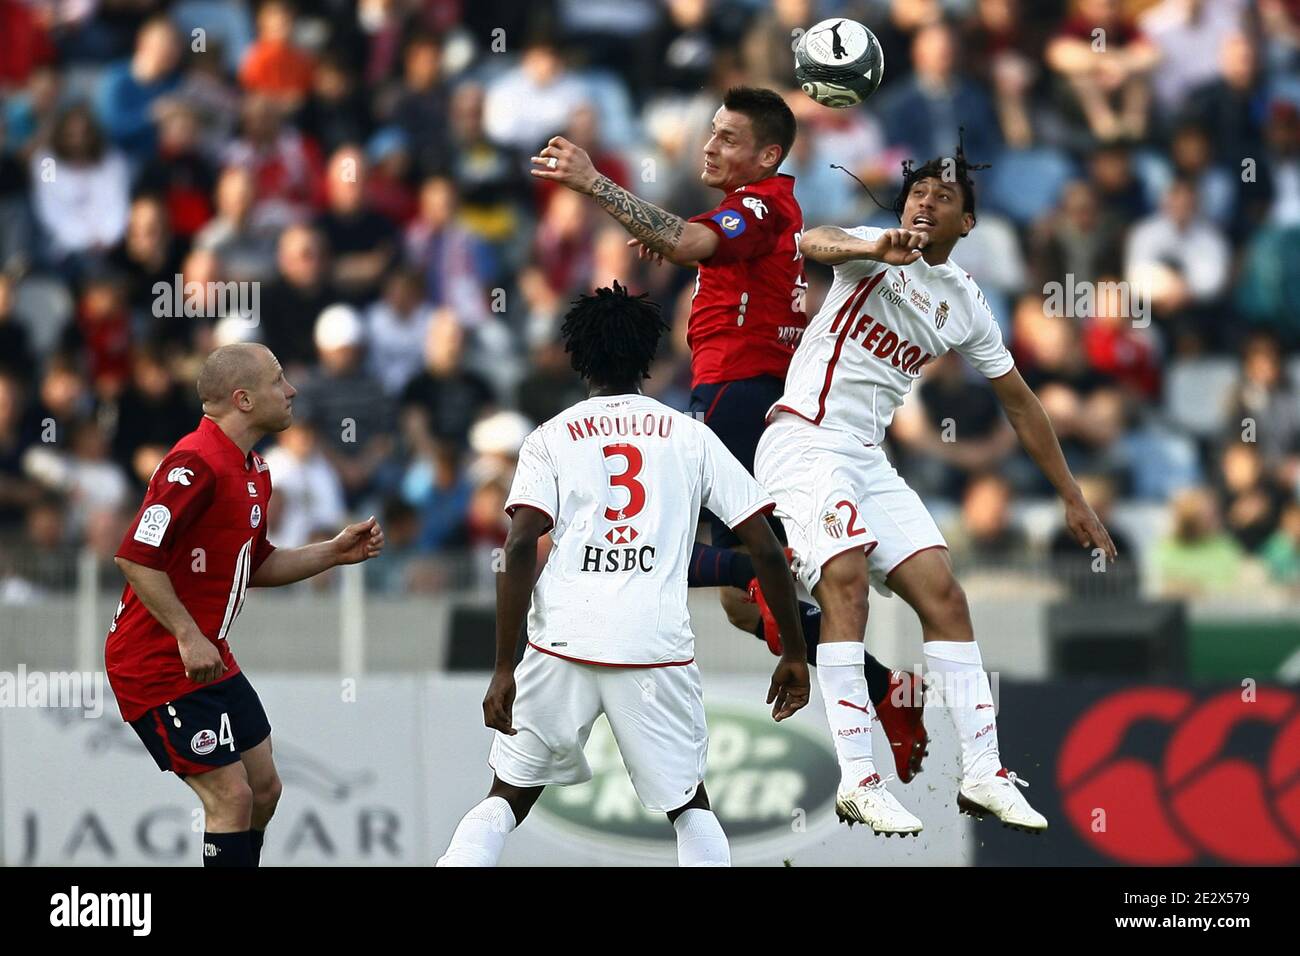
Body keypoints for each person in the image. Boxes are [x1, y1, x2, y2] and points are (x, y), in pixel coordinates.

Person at [530, 85, 930, 784]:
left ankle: (793, 582)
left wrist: (594, 182)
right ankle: (885, 687)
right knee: (743, 608)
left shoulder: (761, 205)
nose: (710, 146)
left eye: (728, 139)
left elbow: (690, 241)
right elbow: (700, 242)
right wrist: (675, 237)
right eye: (711, 132)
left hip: (736, 395)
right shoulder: (763, 209)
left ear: (767, 155)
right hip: (754, 396)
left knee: (656, 548)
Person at [758, 143, 1117, 835]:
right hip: (804, 438)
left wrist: (1072, 495)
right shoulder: (871, 248)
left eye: (942, 196)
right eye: (917, 192)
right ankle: (859, 779)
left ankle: (983, 773)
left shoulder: (965, 302)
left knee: (945, 594)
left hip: (867, 456)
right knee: (846, 579)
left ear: (968, 223)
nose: (925, 201)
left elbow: (1021, 403)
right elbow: (811, 241)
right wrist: (872, 246)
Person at [437, 283, 809, 867]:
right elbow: (765, 547)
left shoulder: (550, 437)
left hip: (562, 643)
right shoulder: (691, 435)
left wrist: (505, 666)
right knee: (689, 805)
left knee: (507, 796)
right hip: (652, 646)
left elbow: (519, 543)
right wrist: (791, 649)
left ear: (578, 358)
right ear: (649, 358)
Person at [105, 343, 385, 867]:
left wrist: (332, 552)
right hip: (156, 662)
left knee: (264, 789)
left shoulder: (255, 469)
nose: (291, 390)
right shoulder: (194, 463)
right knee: (230, 797)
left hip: (207, 655)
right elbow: (135, 556)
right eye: (278, 380)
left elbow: (254, 564)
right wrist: (187, 634)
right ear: (244, 399)